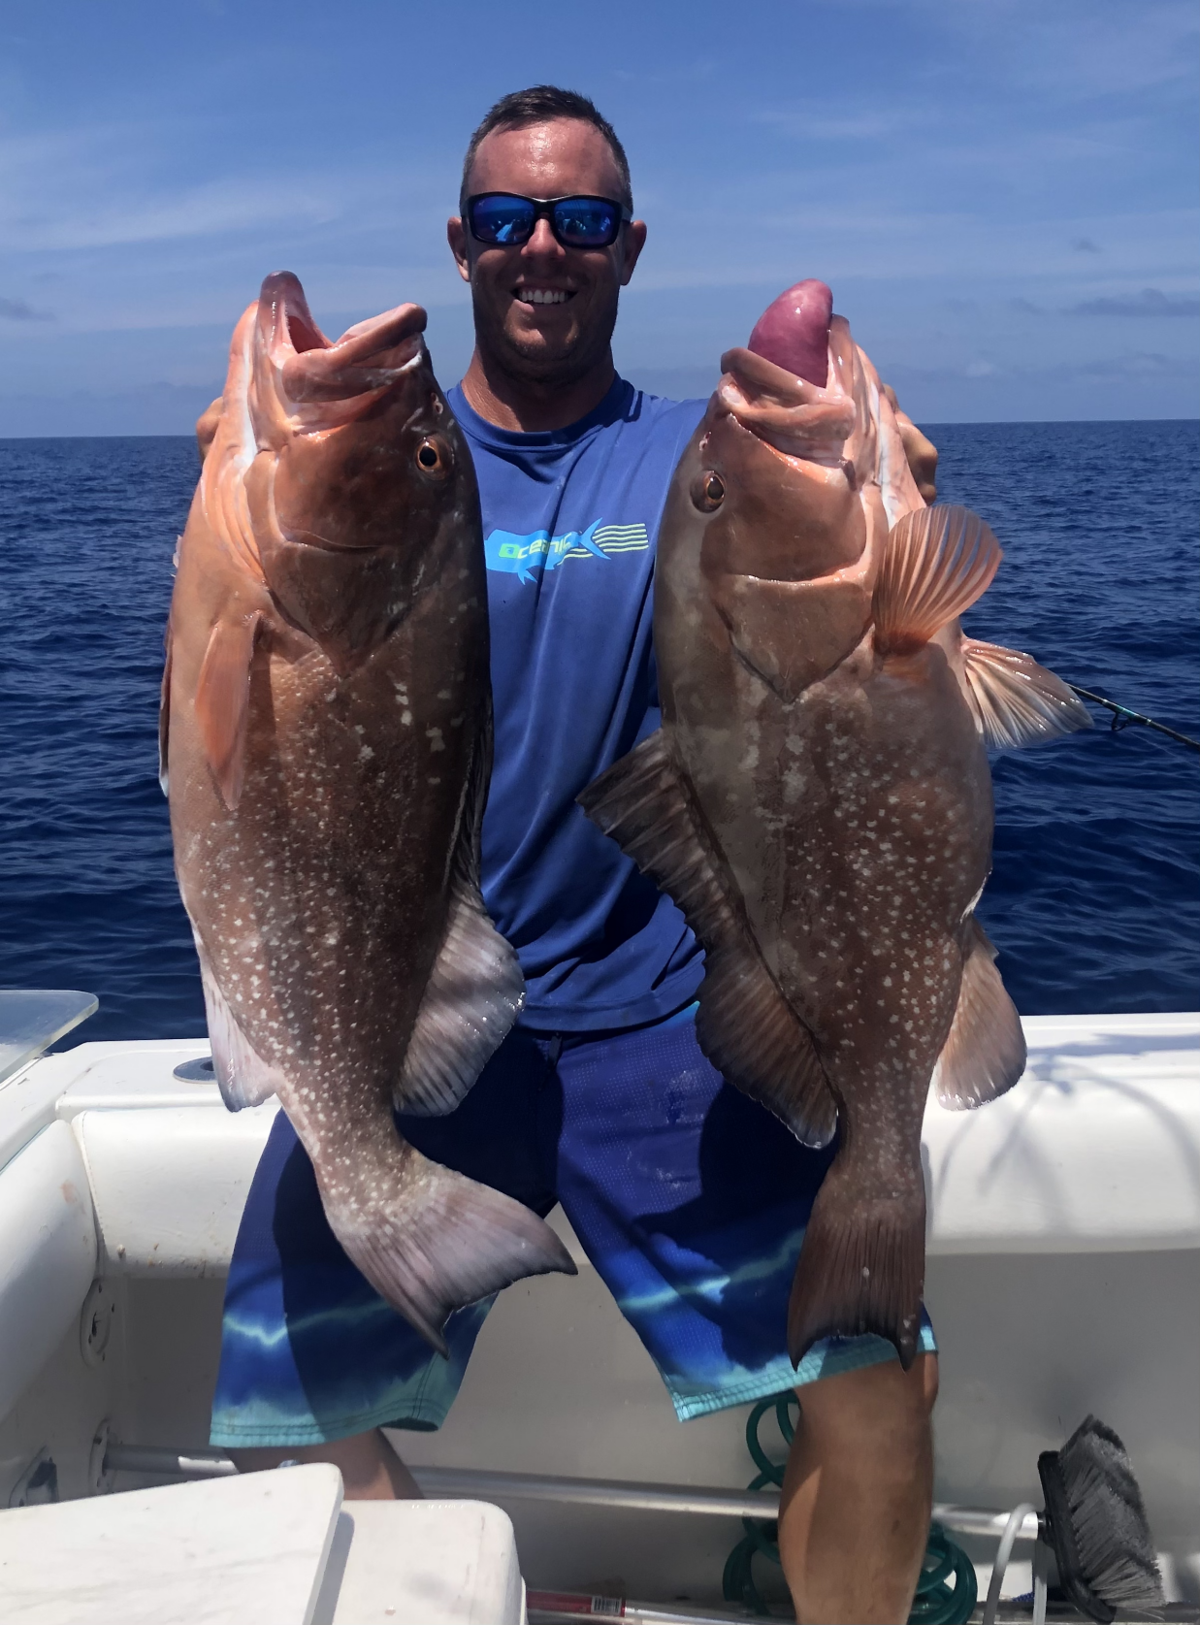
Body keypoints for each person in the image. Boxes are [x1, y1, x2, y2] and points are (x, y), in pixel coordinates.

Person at [211, 85, 940, 1624]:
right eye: (509, 217)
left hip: (662, 1013)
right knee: (289, 1410)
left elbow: (843, 635)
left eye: (583, 219)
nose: (544, 245)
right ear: (462, 243)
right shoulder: (380, 458)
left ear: (629, 250)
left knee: (876, 1389)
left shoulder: (702, 465)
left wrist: (884, 501)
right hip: (413, 1003)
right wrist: (244, 494)